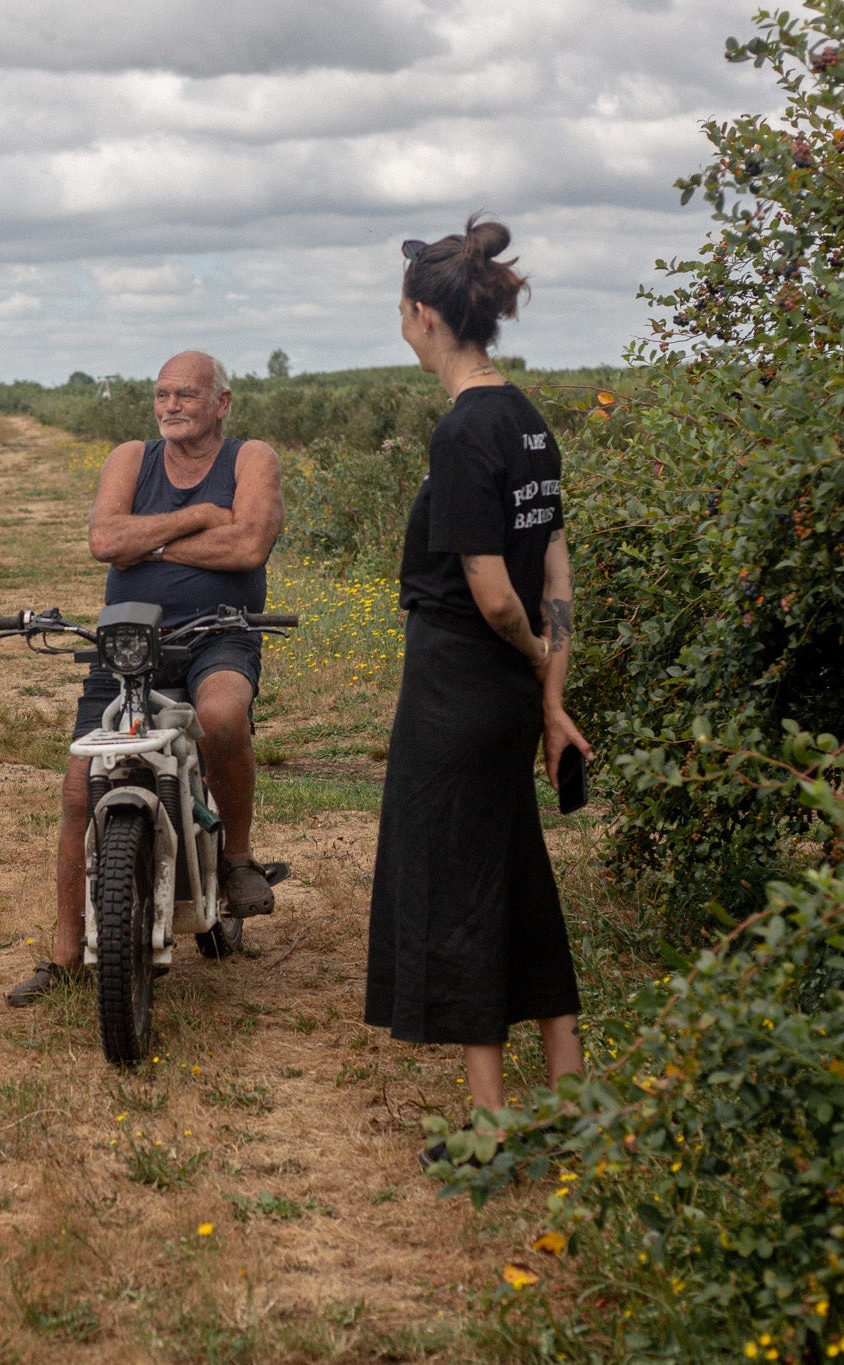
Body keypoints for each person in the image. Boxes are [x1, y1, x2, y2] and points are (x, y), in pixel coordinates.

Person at [362, 216, 595, 1135]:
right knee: (522, 884)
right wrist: (549, 696)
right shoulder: (528, 422)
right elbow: (557, 577)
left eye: (401, 312)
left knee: (458, 892)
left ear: (425, 316)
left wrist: (532, 661)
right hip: (506, 698)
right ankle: (571, 1103)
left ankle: (491, 1129)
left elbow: (498, 598)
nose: (402, 325)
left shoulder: (463, 433)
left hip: (456, 689)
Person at [7, 351, 286, 1006]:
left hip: (219, 633)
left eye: (186, 394)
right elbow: (105, 541)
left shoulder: (251, 459)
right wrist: (199, 517)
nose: (170, 406)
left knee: (222, 716)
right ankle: (66, 957)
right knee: (80, 788)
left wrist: (148, 543)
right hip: (130, 637)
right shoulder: (131, 459)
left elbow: (248, 547)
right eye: (162, 395)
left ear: (222, 403)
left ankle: (237, 860)